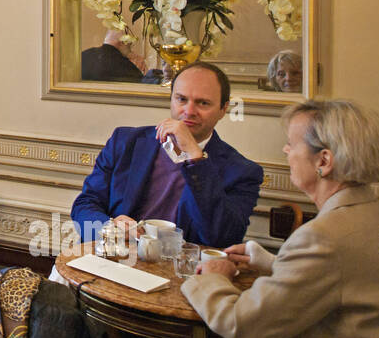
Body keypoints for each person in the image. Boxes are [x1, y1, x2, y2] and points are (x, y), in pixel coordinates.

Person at [183, 100, 379, 338]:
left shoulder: (323, 236)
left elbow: (245, 326)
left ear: (324, 161)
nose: (285, 151)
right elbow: (351, 277)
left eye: (291, 144)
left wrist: (213, 276)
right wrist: (272, 263)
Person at [71, 62, 263, 248]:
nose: (189, 111)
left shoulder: (242, 172)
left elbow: (222, 238)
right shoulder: (125, 142)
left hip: (181, 273)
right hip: (116, 259)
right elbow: (85, 205)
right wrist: (111, 229)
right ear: (171, 99)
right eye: (181, 99)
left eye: (203, 103)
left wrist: (196, 159)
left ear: (223, 109)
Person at [80, 29, 147, 82]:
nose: (130, 50)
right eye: (129, 45)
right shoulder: (125, 65)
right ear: (123, 42)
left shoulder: (83, 56)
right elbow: (141, 87)